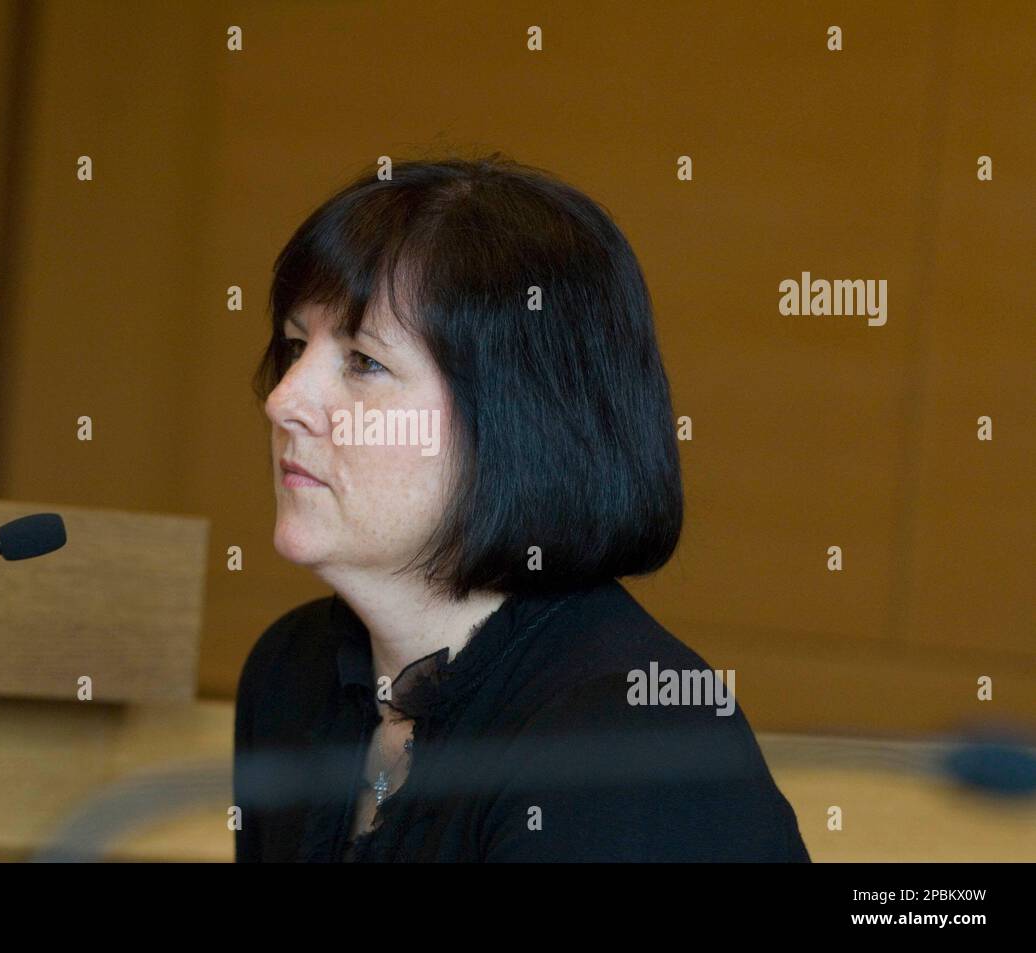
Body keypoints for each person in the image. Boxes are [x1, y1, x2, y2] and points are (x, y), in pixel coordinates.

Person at [233, 154, 810, 862]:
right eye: (294, 346)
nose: (283, 400)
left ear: (515, 417)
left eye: (363, 361)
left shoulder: (629, 741)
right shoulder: (292, 671)